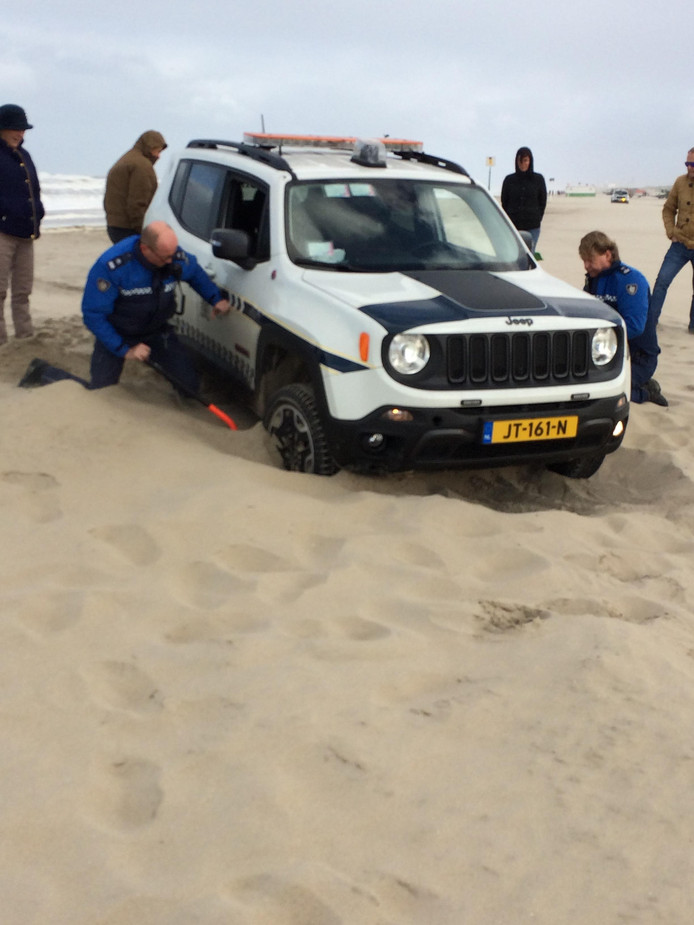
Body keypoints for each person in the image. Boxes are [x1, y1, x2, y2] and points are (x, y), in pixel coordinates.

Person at [18, 221, 231, 394]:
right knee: (101, 392)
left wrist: (215, 298)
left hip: (157, 331)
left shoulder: (172, 255)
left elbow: (194, 272)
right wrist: (125, 350)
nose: (171, 260)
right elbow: (93, 315)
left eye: (172, 255)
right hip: (118, 332)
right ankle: (44, 372)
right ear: (146, 249)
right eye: (165, 257)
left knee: (190, 387)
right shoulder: (112, 266)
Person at [579, 230, 668, 407]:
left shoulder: (631, 281)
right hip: (603, 352)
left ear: (607, 254)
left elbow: (634, 327)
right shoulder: (592, 281)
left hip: (637, 357)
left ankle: (646, 391)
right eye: (584, 260)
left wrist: (597, 342)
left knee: (609, 395)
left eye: (590, 260)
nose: (586, 266)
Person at [0, 103, 44, 345]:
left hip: (26, 233)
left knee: (22, 290)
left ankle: (25, 337)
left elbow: (34, 191)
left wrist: (39, 213)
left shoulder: (24, 156)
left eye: (23, 129)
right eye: (15, 129)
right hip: (3, 232)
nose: (20, 134)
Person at [649, 148, 694, 332]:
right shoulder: (680, 182)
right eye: (687, 164)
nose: (690, 168)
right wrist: (671, 231)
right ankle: (650, 322)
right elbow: (668, 209)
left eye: (693, 165)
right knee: (662, 281)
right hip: (680, 243)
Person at [103, 131, 167, 244]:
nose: (158, 156)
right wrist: (144, 232)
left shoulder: (128, 159)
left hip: (115, 225)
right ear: (149, 147)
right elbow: (137, 204)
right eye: (157, 150)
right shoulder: (141, 166)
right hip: (128, 228)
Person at [501, 146, 547, 253]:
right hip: (513, 225)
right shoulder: (509, 180)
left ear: (530, 161)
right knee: (513, 253)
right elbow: (504, 201)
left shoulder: (538, 179)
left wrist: (537, 217)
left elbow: (542, 201)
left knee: (529, 255)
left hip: (533, 226)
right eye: (520, 160)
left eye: (526, 160)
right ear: (517, 161)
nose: (523, 163)